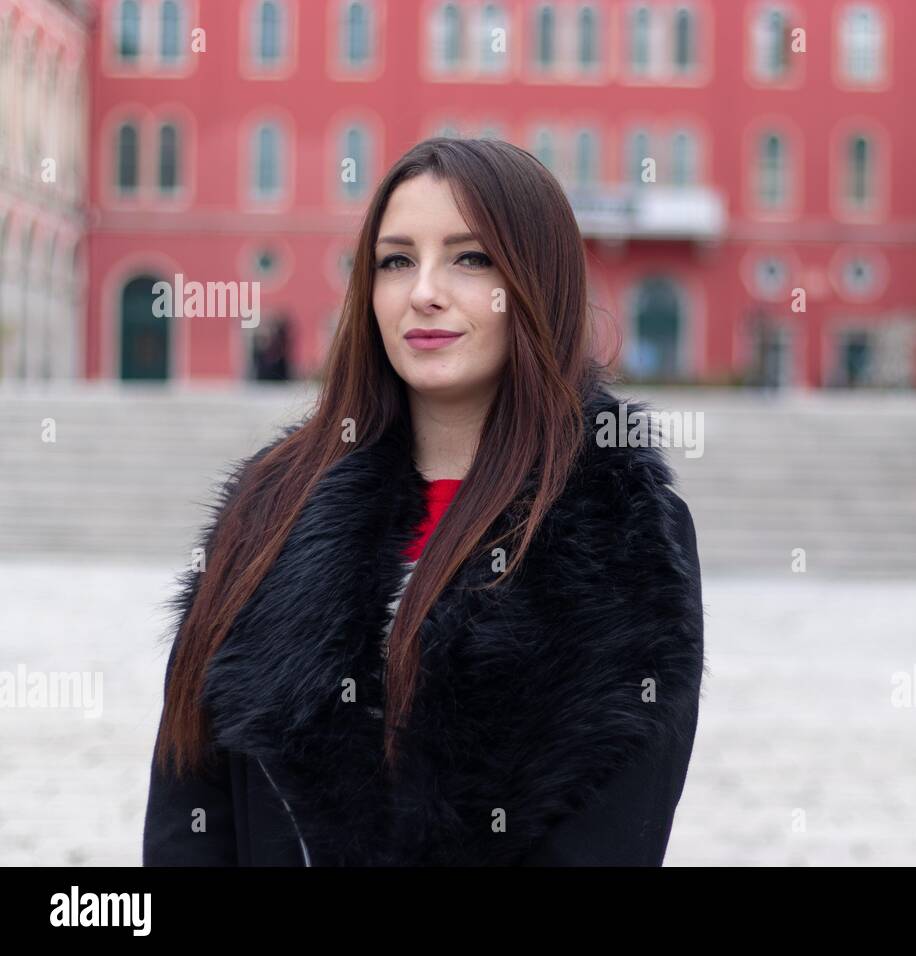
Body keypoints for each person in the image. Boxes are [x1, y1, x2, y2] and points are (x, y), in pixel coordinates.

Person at [143, 138, 706, 866]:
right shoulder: (269, 507)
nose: (423, 292)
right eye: (396, 260)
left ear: (538, 282)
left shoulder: (622, 527)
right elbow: (188, 803)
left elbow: (614, 834)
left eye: (471, 259)